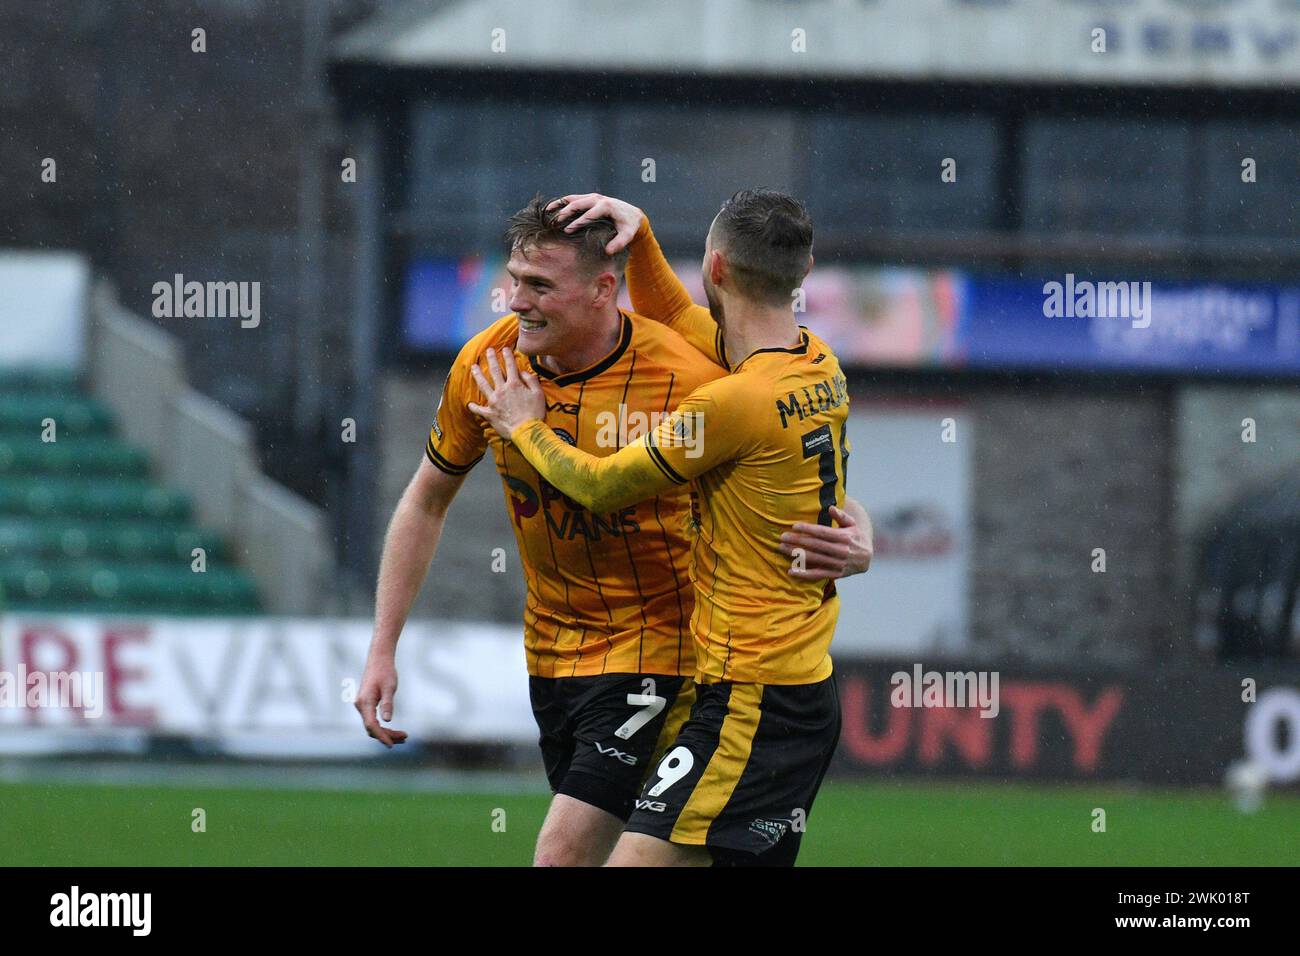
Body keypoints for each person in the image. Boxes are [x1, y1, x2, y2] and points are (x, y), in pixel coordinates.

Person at [356, 194, 870, 866]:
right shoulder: (487, 368)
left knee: (563, 855)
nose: (515, 301)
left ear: (603, 289)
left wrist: (526, 428)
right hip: (555, 654)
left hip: (671, 655)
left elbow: (631, 481)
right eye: (513, 279)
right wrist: (382, 646)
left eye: (539, 285)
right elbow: (426, 500)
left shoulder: (696, 377)